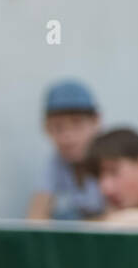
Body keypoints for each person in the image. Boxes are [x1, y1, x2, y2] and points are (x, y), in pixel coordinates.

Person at [28, 80, 105, 221]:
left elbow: (123, 220)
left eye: (77, 124)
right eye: (58, 127)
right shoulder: (55, 163)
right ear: (46, 128)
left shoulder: (112, 159)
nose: (68, 136)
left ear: (96, 121)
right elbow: (35, 218)